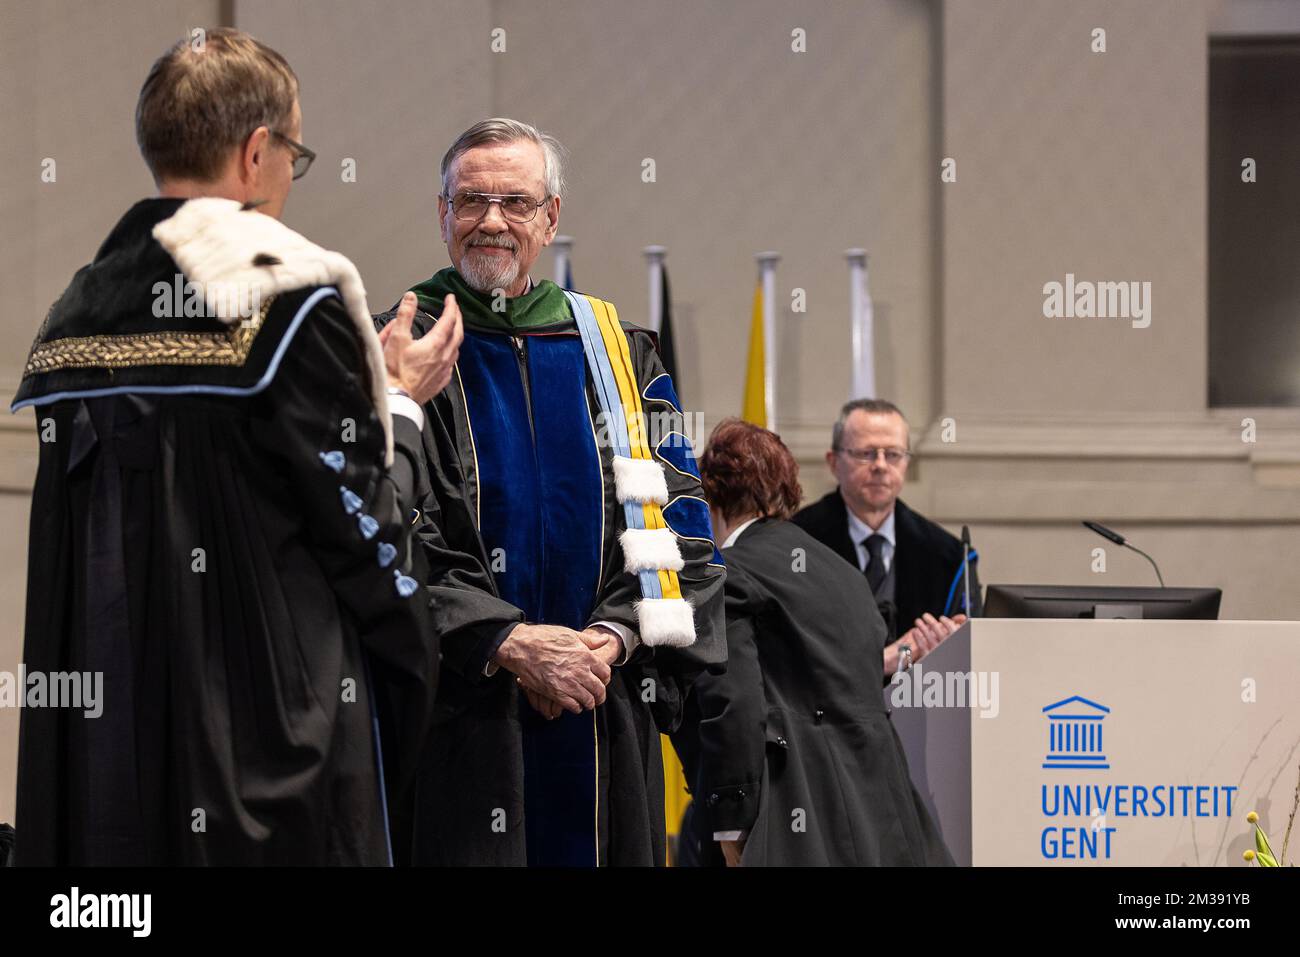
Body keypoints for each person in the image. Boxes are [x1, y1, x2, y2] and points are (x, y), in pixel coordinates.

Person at [9, 28, 462, 865]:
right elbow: (367, 544)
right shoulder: (285, 296)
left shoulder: (74, 313)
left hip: (108, 781)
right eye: (296, 152)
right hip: (264, 774)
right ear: (258, 153)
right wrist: (398, 406)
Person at [374, 118, 726, 866]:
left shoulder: (621, 355)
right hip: (455, 723)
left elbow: (685, 528)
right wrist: (509, 641)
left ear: (551, 217)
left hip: (599, 712)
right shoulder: (393, 349)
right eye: (471, 201)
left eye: (515, 202)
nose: (492, 221)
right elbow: (385, 531)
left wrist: (607, 641)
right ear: (442, 214)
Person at [672, 418, 960, 866]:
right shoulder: (845, 573)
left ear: (711, 496)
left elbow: (733, 704)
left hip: (787, 814)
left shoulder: (725, 574)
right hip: (880, 813)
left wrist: (731, 821)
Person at [792, 399, 982, 648]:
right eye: (865, 454)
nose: (880, 466)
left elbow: (972, 652)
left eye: (893, 454)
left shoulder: (949, 556)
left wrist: (953, 640)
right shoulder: (796, 542)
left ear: (906, 463)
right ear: (834, 462)